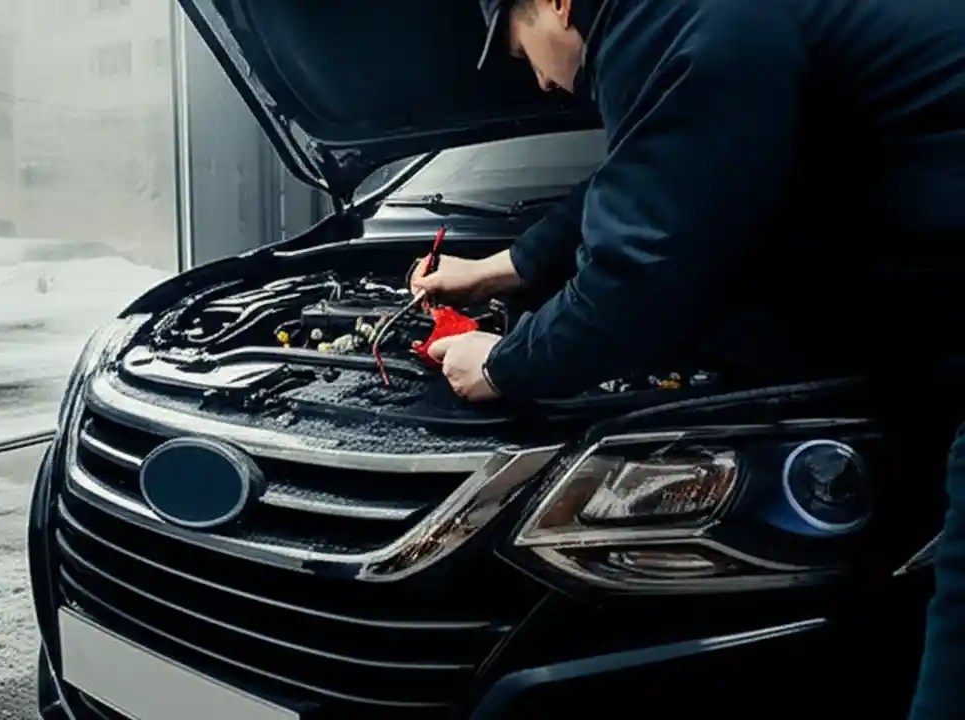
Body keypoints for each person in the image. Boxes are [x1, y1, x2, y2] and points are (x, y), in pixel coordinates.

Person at [411, 0, 965, 717]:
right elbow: (657, 165)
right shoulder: (682, 20)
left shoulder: (664, 16)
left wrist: (503, 365)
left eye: (523, 53)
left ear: (556, 2)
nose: (542, 84)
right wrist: (501, 269)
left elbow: (642, 275)